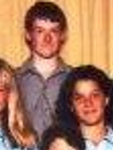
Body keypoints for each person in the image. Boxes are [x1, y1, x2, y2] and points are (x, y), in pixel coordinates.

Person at [15, 1, 72, 138]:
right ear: (28, 35)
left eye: (54, 31)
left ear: (62, 35)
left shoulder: (75, 79)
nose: (47, 38)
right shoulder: (12, 79)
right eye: (40, 31)